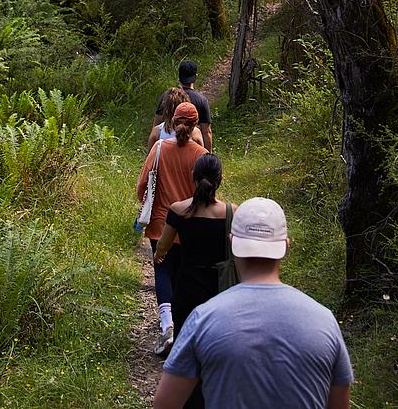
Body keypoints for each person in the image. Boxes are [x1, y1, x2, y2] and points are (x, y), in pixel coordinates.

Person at [153, 197, 354, 409]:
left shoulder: (203, 318)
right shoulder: (324, 321)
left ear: (232, 242)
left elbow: (165, 404)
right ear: (286, 246)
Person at [153, 154, 230, 409]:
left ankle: (188, 398)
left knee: (188, 349)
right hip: (220, 292)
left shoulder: (178, 210)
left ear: (193, 178)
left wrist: (160, 254)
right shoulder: (231, 212)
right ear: (220, 180)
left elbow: (163, 246)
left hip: (187, 289)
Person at [136, 102, 209, 357]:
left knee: (163, 270)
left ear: (173, 121)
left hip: (160, 223)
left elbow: (141, 188)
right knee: (181, 272)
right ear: (195, 125)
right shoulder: (201, 155)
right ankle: (183, 328)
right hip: (190, 224)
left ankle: (167, 324)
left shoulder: (158, 149)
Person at [155, 60, 213, 151]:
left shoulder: (167, 96)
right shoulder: (201, 100)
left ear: (179, 76)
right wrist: (209, 156)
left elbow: (157, 123)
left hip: (165, 148)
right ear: (196, 76)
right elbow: (206, 132)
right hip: (191, 146)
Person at [147, 86, 205, 152]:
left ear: (166, 109)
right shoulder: (195, 133)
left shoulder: (157, 132)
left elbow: (150, 158)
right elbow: (202, 159)